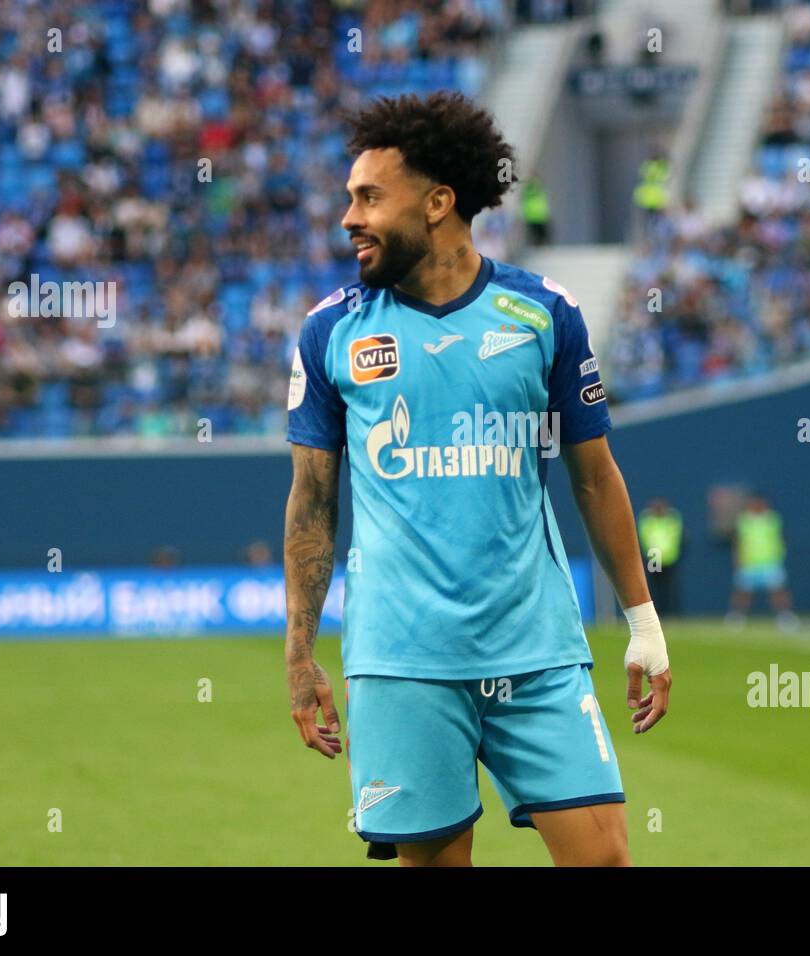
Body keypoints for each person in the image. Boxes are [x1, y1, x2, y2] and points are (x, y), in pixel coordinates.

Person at [282, 92, 671, 868]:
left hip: (536, 647)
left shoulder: (541, 315)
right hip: (400, 657)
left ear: (437, 202)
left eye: (368, 197)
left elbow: (594, 478)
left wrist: (644, 623)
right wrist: (299, 652)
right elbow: (314, 503)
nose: (347, 218)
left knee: (606, 859)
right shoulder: (332, 331)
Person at [727, 495, 798, 631]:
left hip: (771, 562)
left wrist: (780, 552)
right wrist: (737, 559)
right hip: (749, 563)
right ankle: (737, 617)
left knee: (778, 591)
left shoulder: (773, 519)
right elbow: (738, 542)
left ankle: (785, 616)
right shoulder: (744, 520)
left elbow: (782, 537)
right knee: (743, 592)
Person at [637, 497, 684, 615]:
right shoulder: (648, 521)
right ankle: (655, 613)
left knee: (669, 588)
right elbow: (645, 537)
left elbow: (677, 533)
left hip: (669, 559)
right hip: (654, 559)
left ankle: (669, 613)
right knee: (654, 587)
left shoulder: (671, 520)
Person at [520, 176, 551, 246]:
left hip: (537, 216)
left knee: (539, 235)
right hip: (536, 216)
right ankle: (540, 245)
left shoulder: (531, 190)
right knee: (538, 235)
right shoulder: (537, 189)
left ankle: (540, 245)